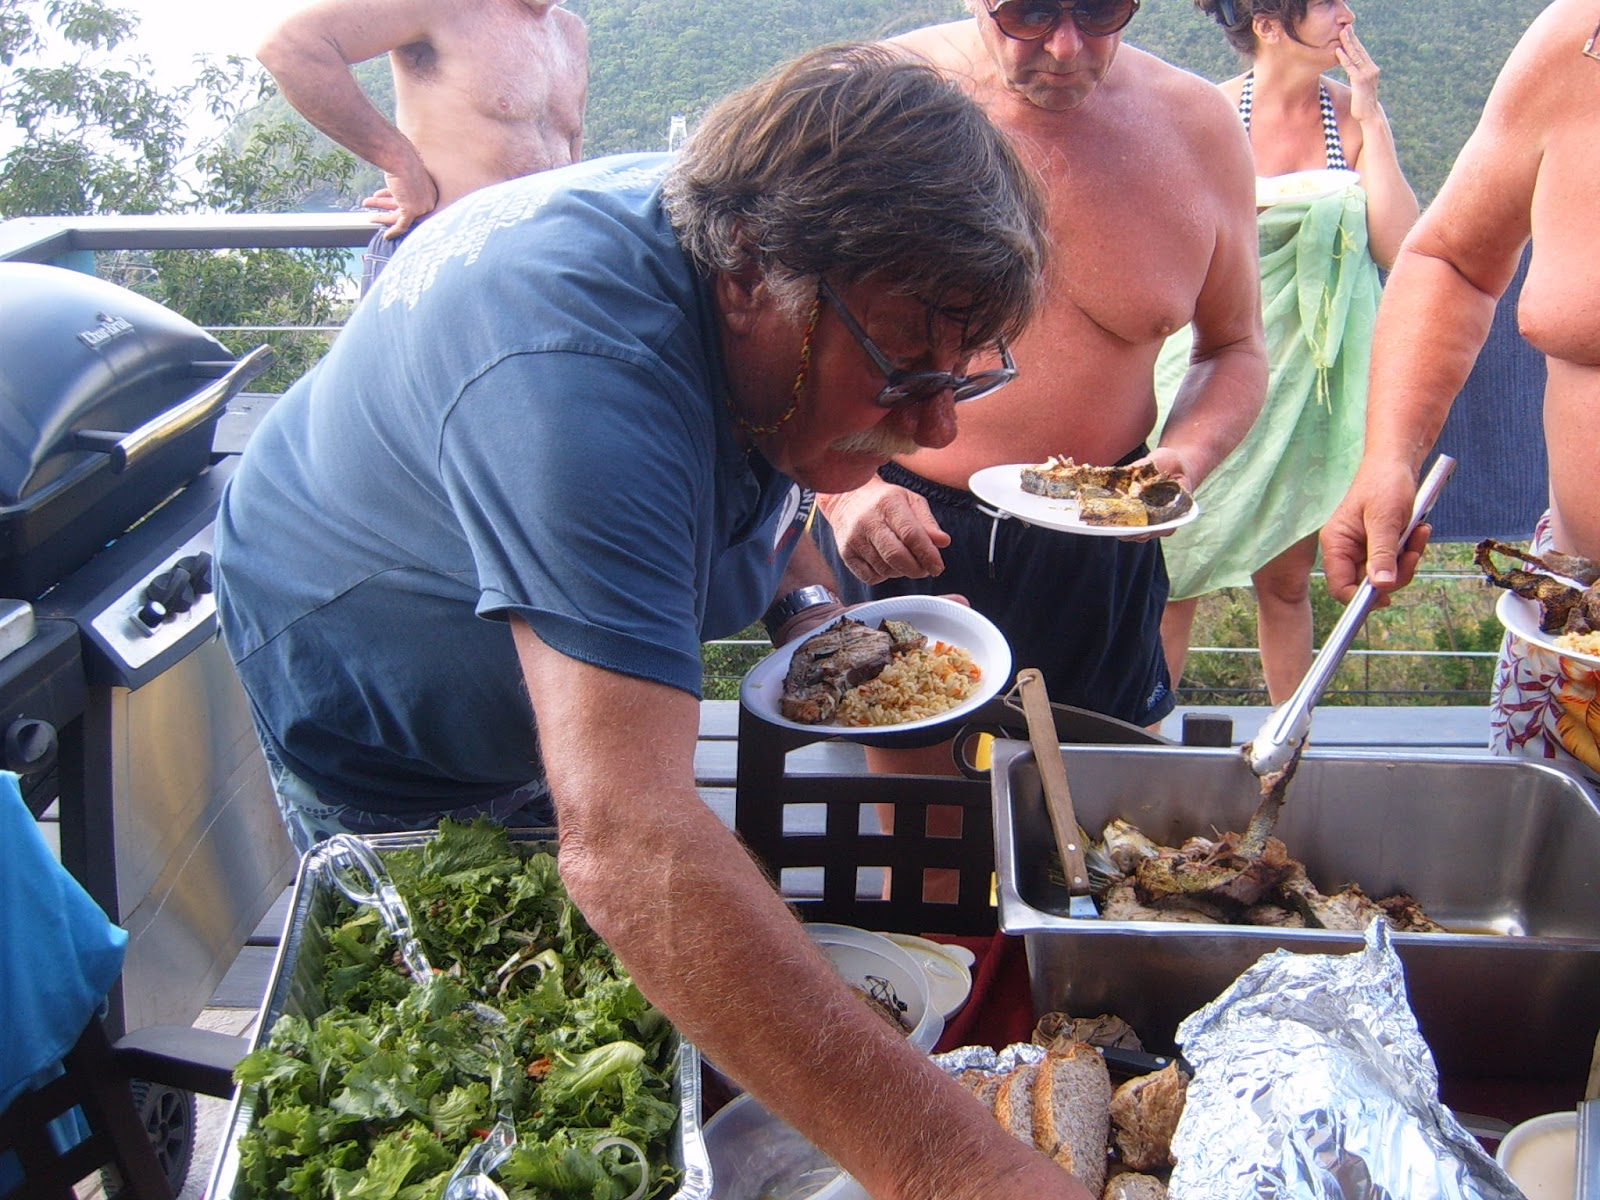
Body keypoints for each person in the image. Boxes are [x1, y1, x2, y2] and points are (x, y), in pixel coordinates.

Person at [216, 44, 1092, 1200]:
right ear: (747, 274)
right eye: (901, 371)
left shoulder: (747, 271)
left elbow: (763, 464)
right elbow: (630, 845)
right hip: (374, 683)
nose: (935, 431)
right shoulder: (579, 378)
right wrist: (958, 1172)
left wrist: (815, 616)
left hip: (547, 663)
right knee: (460, 1040)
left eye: (961, 374)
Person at [814, 0, 1268, 777]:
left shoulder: (1198, 127)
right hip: (906, 523)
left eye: (1100, 10)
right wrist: (841, 492)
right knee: (926, 830)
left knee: (1105, 816)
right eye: (1028, 12)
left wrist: (1185, 459)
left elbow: (1234, 348)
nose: (1064, 46)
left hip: (1103, 532)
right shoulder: (876, 100)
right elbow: (783, 329)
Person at [1321, 0, 1600, 777]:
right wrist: (1390, 456)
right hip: (1569, 638)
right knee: (1545, 855)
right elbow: (1451, 259)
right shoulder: (1577, 43)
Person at [1151, 0, 1417, 705]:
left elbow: (1399, 246)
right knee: (1173, 575)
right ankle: (1147, 740)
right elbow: (1171, 247)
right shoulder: (1210, 114)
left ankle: (1287, 744)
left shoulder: (1348, 116)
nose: (1347, 14)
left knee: (1287, 581)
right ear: (1268, 26)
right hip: (1208, 369)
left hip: (1311, 387)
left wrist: (1373, 116)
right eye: (1325, 3)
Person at [255, 0, 588, 294]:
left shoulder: (570, 32)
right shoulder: (447, 6)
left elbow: (569, 147)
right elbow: (289, 47)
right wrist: (400, 162)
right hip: (439, 254)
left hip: (540, 264)